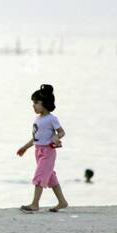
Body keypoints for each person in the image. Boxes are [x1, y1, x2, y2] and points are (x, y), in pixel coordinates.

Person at [16, 83, 69, 213]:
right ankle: (62, 202)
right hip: (38, 151)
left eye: (36, 103)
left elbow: (62, 132)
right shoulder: (37, 119)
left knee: (40, 176)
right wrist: (25, 147)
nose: (33, 106)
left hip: (48, 152)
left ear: (44, 103)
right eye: (33, 103)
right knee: (50, 176)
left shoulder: (52, 119)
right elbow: (36, 138)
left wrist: (56, 138)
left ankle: (35, 204)